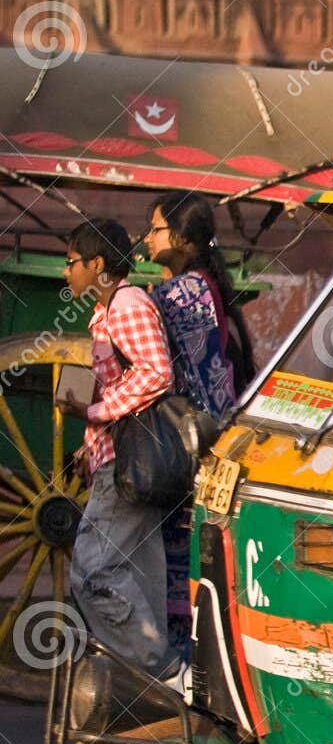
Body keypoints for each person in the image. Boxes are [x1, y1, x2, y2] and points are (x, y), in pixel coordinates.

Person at [56, 219, 175, 677]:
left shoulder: (126, 305)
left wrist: (96, 412)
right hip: (118, 459)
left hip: (127, 464)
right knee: (138, 575)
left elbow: (156, 373)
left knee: (92, 572)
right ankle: (155, 681)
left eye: (72, 263)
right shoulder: (108, 310)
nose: (67, 273)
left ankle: (157, 670)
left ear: (97, 264)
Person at [141, 192, 240, 662]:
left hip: (191, 440)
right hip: (200, 435)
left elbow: (138, 316)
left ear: (181, 238)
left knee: (180, 549)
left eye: (155, 229)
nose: (147, 237)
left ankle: (182, 665)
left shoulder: (186, 292)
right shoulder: (198, 284)